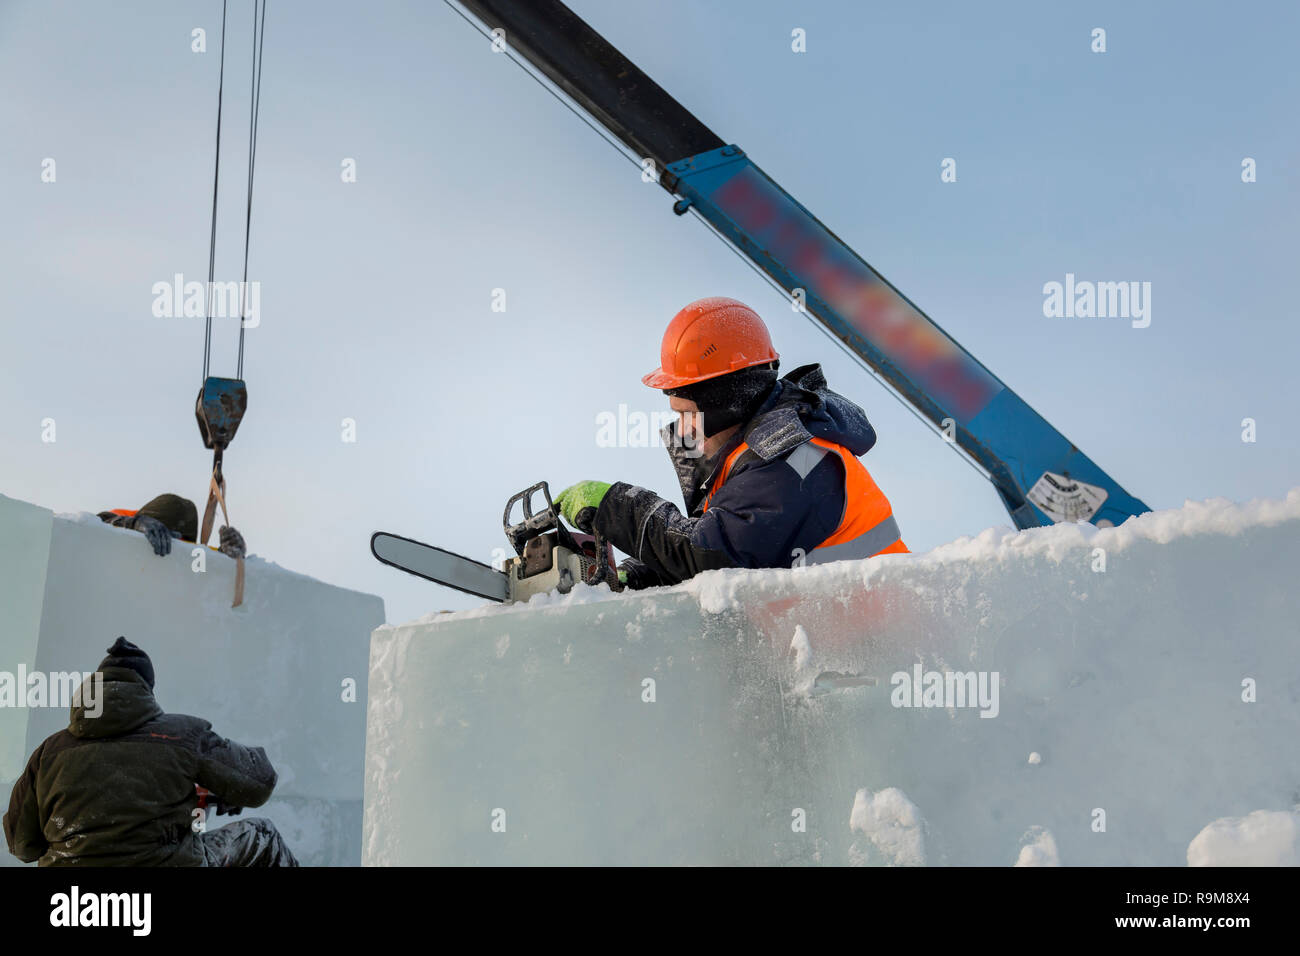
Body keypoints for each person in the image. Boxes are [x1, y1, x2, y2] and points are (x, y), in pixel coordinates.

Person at [555, 296, 908, 590]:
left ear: (724, 404)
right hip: (836, 643)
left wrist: (614, 506)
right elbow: (717, 544)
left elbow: (710, 557)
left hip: (874, 643)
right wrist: (635, 576)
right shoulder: (744, 461)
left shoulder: (792, 459)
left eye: (687, 412)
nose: (684, 429)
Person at [3, 637, 298, 867]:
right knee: (261, 835)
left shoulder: (48, 754)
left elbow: (21, 846)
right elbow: (259, 783)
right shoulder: (182, 735)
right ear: (146, 689)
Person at [98, 492, 244, 559]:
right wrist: (132, 524)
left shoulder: (192, 559)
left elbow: (201, 574)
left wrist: (229, 560)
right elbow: (92, 524)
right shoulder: (120, 522)